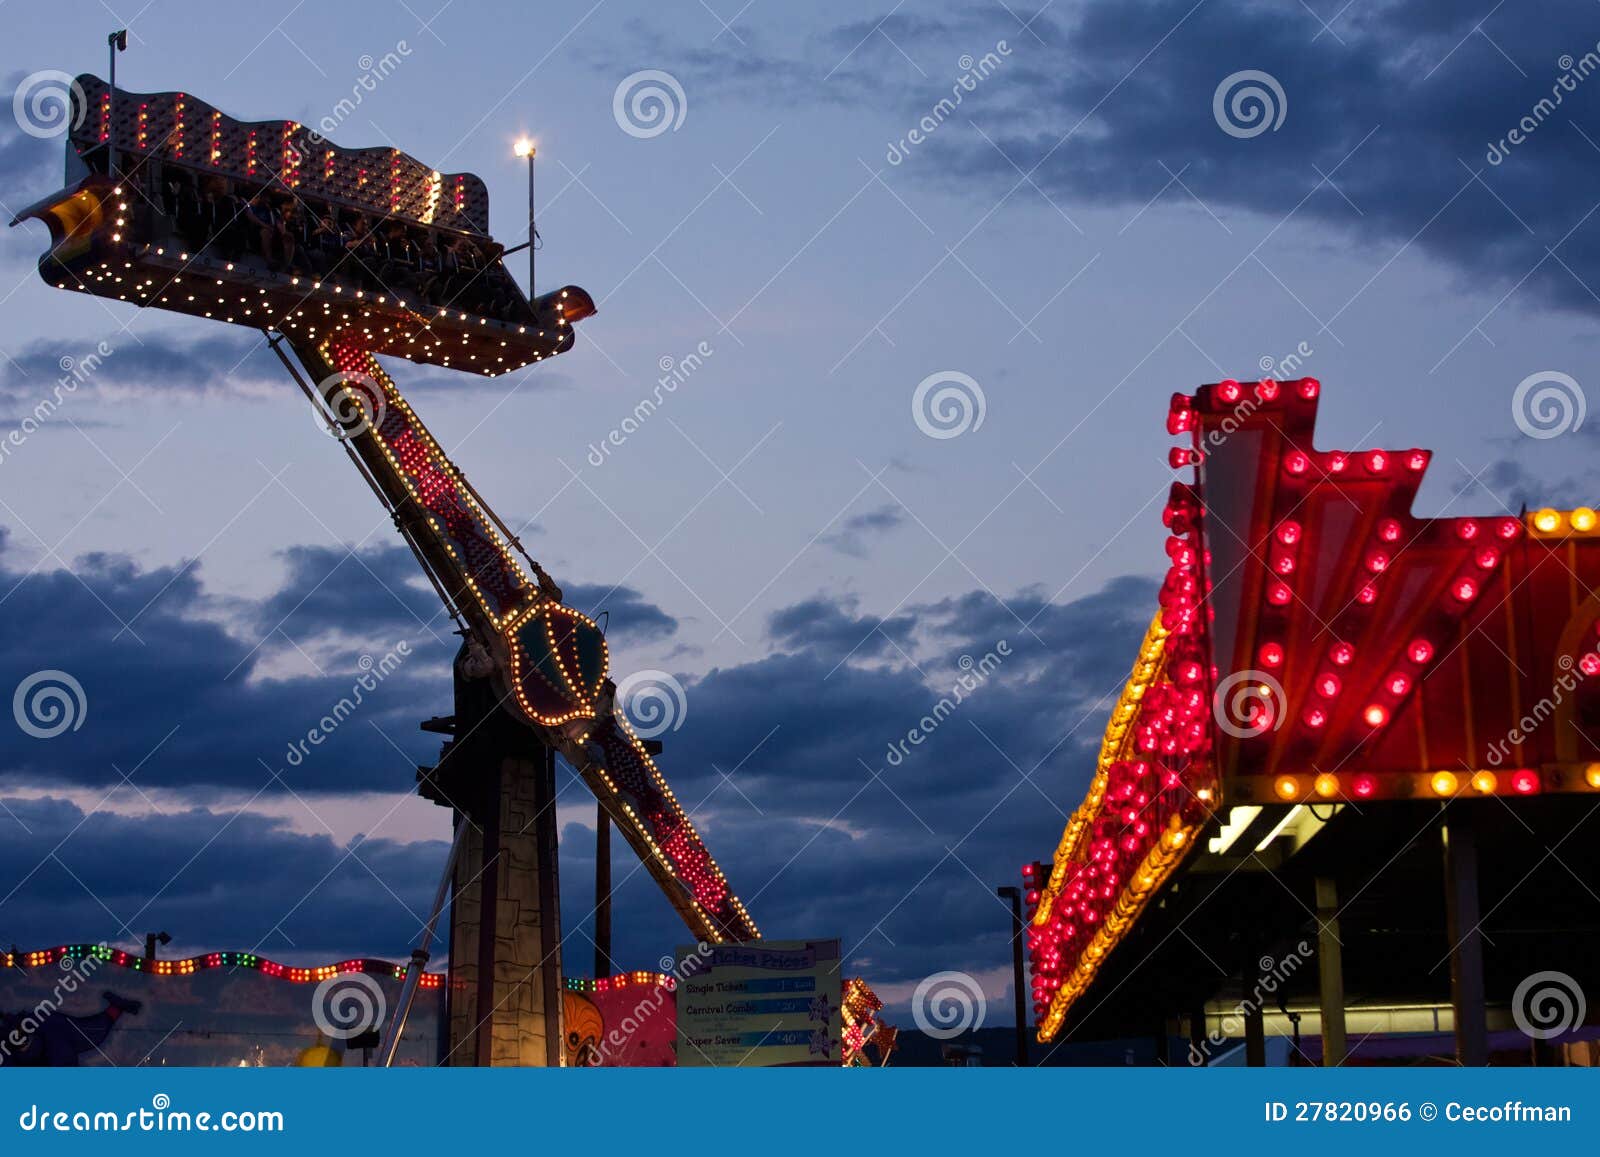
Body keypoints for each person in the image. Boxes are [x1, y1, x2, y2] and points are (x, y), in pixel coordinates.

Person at [0, 991, 141, 1067]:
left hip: (58, 1033)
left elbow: (93, 1032)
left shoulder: (56, 1036)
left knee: (93, 1030)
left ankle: (117, 1007)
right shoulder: (7, 1049)